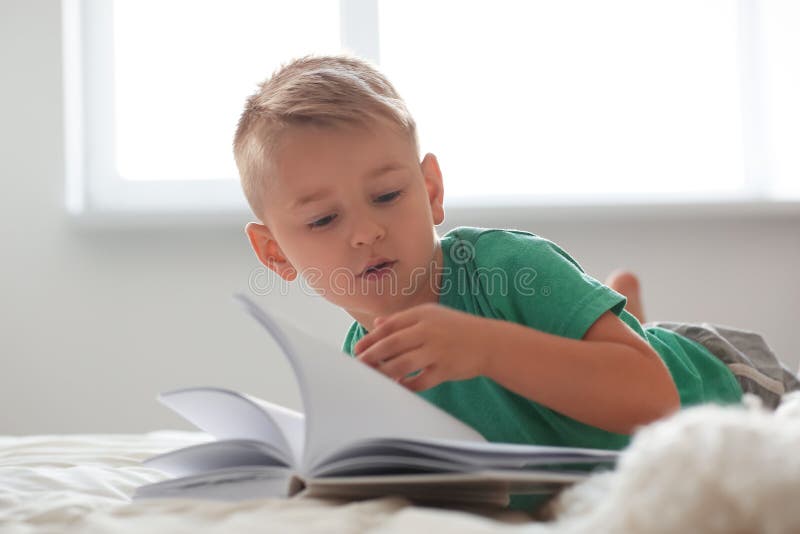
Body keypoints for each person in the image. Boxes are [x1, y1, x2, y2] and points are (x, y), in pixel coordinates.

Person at [233, 55, 799, 509]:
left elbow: (655, 399)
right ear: (275, 252)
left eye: (387, 196)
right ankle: (619, 314)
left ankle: (627, 327)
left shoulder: (504, 268)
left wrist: (482, 347)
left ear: (431, 192)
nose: (365, 232)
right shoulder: (365, 362)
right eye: (323, 220)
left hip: (726, 390)